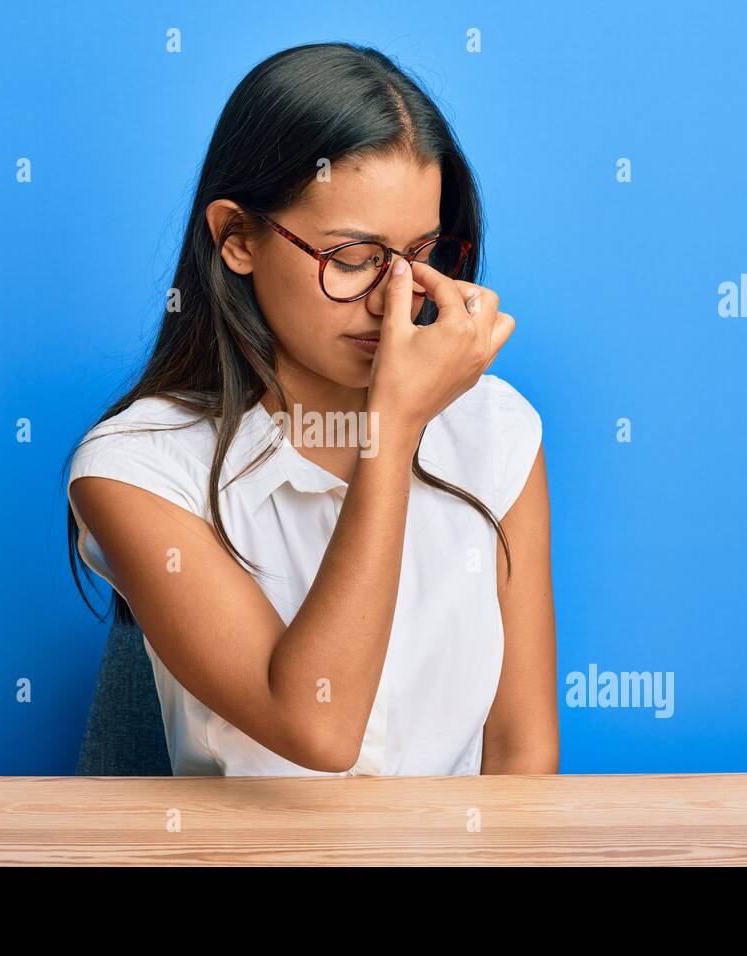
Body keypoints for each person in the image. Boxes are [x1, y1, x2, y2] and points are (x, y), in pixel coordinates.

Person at [64, 42, 558, 776]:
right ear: (238, 239)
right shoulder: (134, 468)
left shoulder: (498, 430)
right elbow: (317, 728)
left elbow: (521, 752)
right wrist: (390, 435)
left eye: (421, 253)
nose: (396, 298)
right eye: (352, 258)